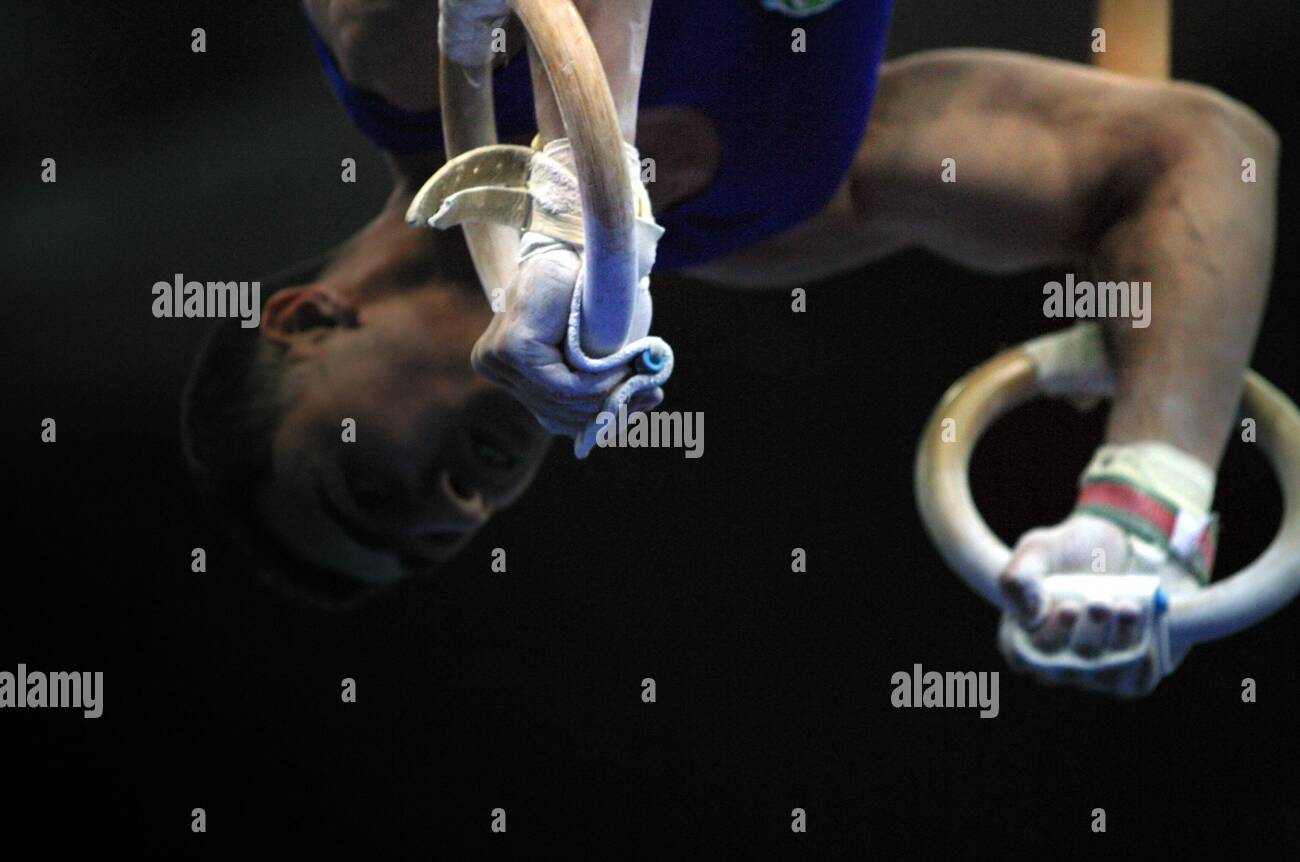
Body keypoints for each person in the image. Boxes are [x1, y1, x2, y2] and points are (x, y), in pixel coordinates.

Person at [184, 0, 1279, 698]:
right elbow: (1193, 156)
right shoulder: (772, 216)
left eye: (371, 484)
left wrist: (572, 187)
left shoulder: (393, 46)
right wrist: (1149, 495)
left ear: (310, 319)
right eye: (439, 537)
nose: (458, 503)